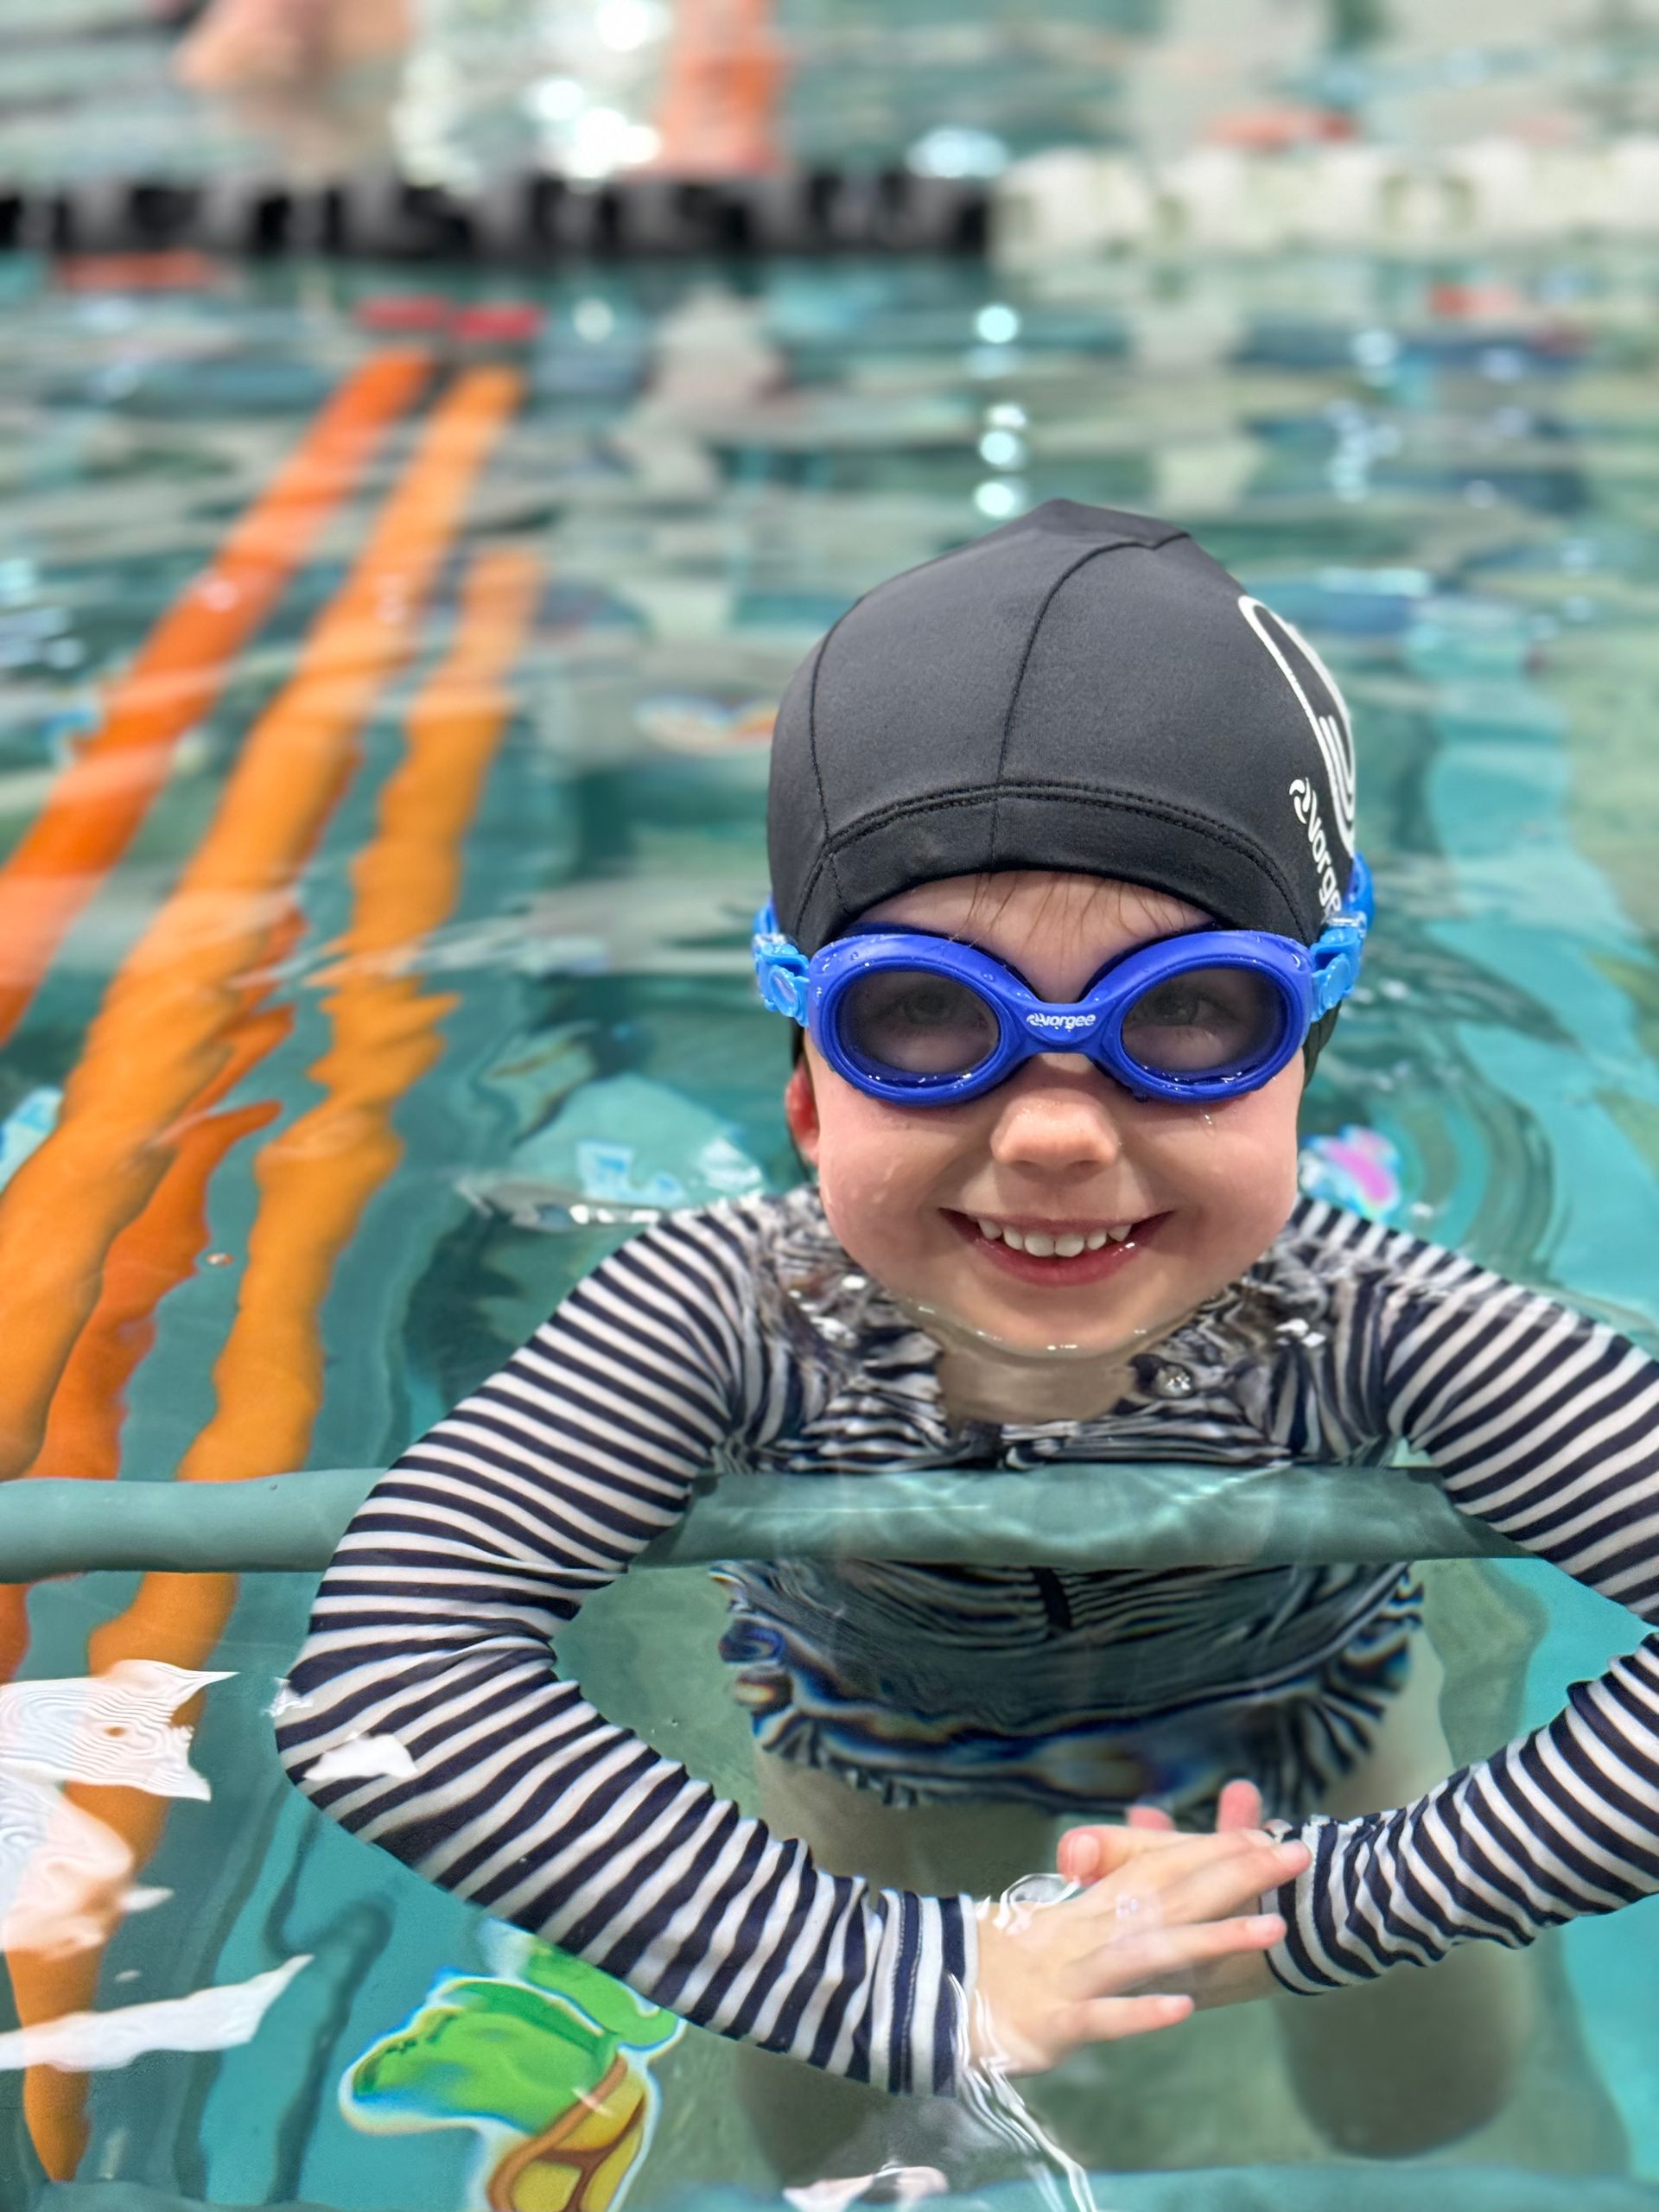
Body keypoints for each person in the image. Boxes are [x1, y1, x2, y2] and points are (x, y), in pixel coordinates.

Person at [276, 501, 1656, 2171]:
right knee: (830, 2155)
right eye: (925, 1015)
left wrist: (1345, 1907)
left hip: (1312, 1713)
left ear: (1306, 1061)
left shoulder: (1365, 1319)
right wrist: (917, 1981)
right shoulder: (725, 1315)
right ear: (803, 1087)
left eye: (1189, 1015)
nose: (1060, 1132)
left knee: (1418, 2110)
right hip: (874, 1730)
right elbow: (379, 1673)